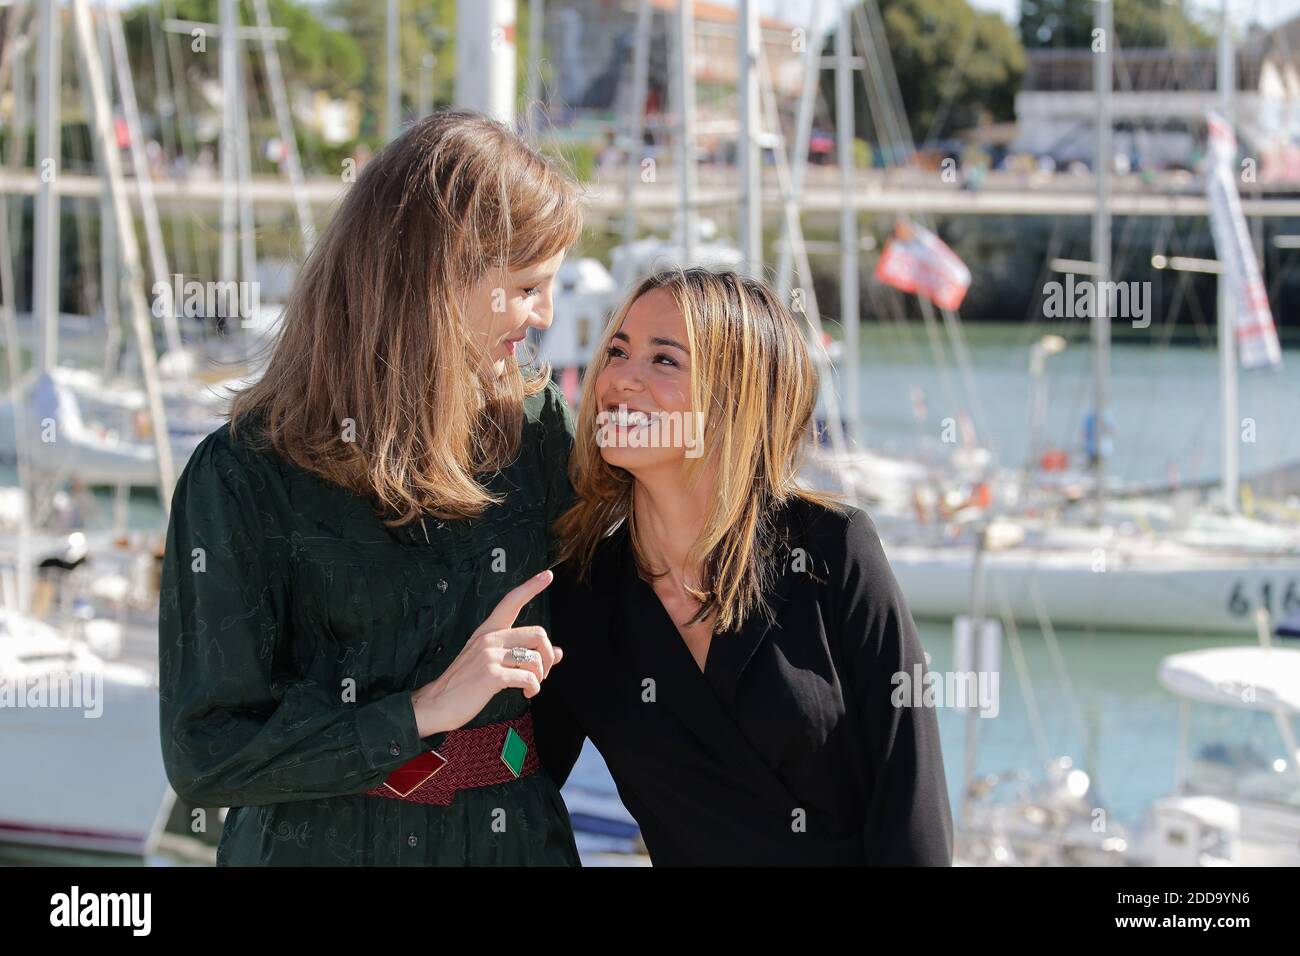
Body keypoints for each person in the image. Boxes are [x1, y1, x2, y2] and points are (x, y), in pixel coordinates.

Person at [158, 109, 584, 866]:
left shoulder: (540, 431)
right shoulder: (240, 475)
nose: (545, 315)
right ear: (440, 278)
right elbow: (206, 754)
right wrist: (419, 715)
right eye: (526, 287)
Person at [533, 269, 953, 865]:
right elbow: (518, 782)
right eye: (618, 351)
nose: (621, 379)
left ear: (735, 393)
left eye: (664, 361)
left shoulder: (834, 551)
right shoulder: (581, 594)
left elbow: (912, 809)